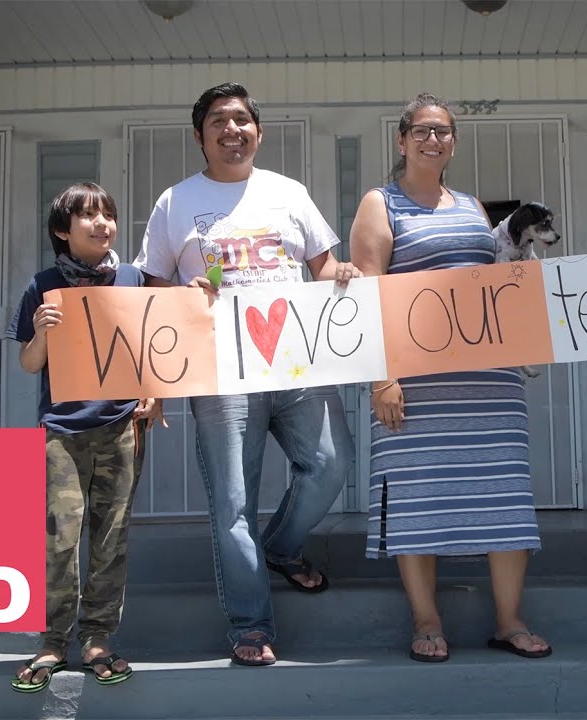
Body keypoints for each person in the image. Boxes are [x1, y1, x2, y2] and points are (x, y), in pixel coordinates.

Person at [132, 82, 359, 667]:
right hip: (219, 375)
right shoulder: (174, 202)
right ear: (200, 137)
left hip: (299, 360)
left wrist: (344, 272)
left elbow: (323, 263)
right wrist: (182, 296)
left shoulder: (288, 192)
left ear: (258, 131)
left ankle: (281, 547)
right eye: (217, 122)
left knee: (332, 464)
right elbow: (153, 290)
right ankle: (250, 625)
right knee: (232, 503)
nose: (231, 130)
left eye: (241, 120)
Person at [350, 92, 551, 664]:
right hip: (415, 386)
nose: (432, 140)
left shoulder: (473, 207)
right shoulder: (379, 204)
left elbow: (495, 285)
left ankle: (509, 621)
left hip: (490, 384)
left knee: (505, 495)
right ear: (402, 139)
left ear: (453, 142)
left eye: (443, 132)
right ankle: (426, 619)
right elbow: (368, 293)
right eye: (421, 131)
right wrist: (381, 379)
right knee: (415, 498)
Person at [6, 182, 163, 692]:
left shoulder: (134, 279)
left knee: (112, 538)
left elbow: (158, 346)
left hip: (121, 427)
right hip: (61, 432)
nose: (102, 223)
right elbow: (30, 364)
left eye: (108, 214)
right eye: (88, 216)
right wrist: (43, 331)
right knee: (60, 540)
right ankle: (53, 641)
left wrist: (154, 394)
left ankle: (97, 639)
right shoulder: (44, 285)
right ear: (62, 230)